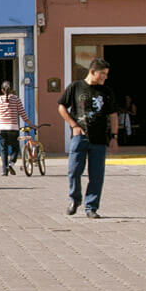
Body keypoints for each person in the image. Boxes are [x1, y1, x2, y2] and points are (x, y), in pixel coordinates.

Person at [59, 58, 118, 218]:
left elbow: (113, 115)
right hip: (79, 138)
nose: (105, 77)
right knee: (73, 171)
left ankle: (91, 207)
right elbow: (62, 106)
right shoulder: (76, 87)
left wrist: (114, 136)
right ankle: (74, 200)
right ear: (93, 71)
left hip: (99, 140)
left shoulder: (107, 91)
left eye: (106, 74)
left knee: (97, 175)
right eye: (103, 74)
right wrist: (74, 125)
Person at [0, 80, 26, 175]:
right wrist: (31, 124)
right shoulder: (16, 99)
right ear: (11, 89)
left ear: (2, 90)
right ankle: (11, 164)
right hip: (13, 128)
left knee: (3, 149)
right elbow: (22, 114)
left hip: (1, 128)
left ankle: (4, 171)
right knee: (15, 148)